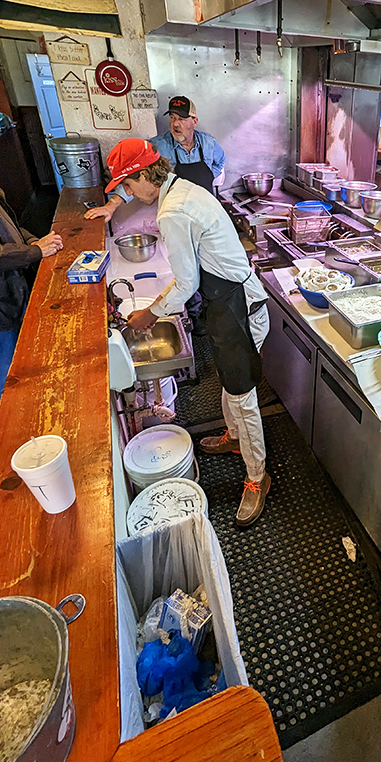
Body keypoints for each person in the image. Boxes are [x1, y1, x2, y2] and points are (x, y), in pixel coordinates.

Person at [104, 138, 271, 527]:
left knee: (242, 394)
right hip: (227, 301)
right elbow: (190, 275)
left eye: (128, 185)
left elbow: (185, 284)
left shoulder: (173, 211)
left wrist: (149, 314)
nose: (130, 193)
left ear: (145, 175)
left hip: (240, 307)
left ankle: (258, 477)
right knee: (230, 384)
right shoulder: (181, 189)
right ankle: (235, 438)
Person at [85, 96, 227, 332]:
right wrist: (111, 206)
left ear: (194, 121)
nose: (176, 124)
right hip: (181, 220)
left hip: (202, 218)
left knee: (207, 270)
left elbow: (218, 166)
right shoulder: (158, 147)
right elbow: (130, 179)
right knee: (186, 271)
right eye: (172, 118)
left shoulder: (209, 144)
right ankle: (194, 318)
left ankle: (210, 315)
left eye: (182, 118)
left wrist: (150, 314)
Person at [0, 182, 63, 417]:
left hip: (11, 292)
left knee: (21, 370)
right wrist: (35, 251)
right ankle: (4, 434)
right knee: (2, 384)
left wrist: (33, 241)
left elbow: (10, 226)